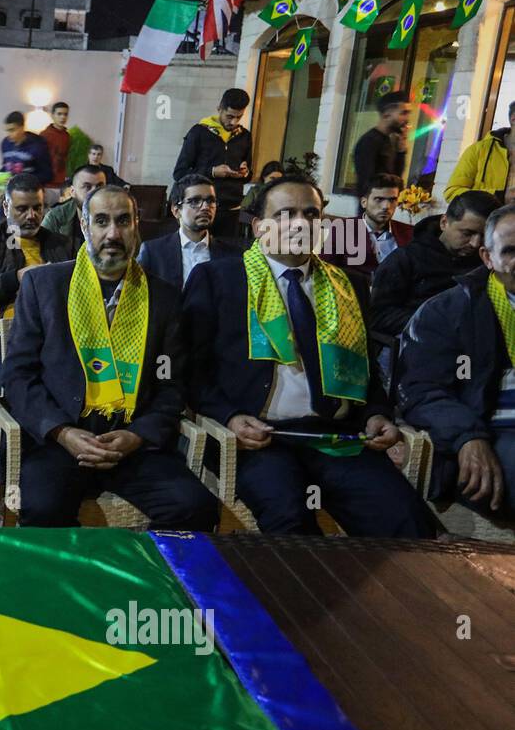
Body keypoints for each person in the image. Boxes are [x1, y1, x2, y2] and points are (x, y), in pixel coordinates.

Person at [181, 173, 436, 537]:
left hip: (335, 436)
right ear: (259, 227)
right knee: (291, 524)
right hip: (260, 437)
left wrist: (377, 413)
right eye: (285, 214)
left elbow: (364, 370)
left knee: (406, 520)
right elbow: (192, 372)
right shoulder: (218, 279)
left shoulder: (349, 286)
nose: (300, 223)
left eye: (311, 214)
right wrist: (231, 416)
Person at [2, 185, 217, 530]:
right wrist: (63, 432)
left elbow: (171, 386)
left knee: (196, 508)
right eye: (101, 221)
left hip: (132, 444)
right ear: (84, 226)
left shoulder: (162, 296)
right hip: (60, 442)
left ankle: (140, 578)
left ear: (137, 226)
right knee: (43, 509)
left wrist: (136, 436)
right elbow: (17, 376)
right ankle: (72, 583)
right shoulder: (44, 286)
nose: (113, 233)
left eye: (123, 221)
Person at [398, 204, 515, 510]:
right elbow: (421, 390)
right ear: (488, 257)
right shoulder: (447, 311)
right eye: (510, 251)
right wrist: (468, 436)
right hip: (493, 432)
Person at [0, 173, 72, 393]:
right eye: (22, 209)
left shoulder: (60, 244)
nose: (32, 216)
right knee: (22, 386)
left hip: (54, 332)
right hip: (7, 333)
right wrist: (19, 278)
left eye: (38, 208)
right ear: (5, 206)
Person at [370, 190, 497, 338]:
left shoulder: (487, 264)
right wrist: (435, 323)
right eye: (467, 233)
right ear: (444, 223)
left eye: (484, 236)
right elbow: (378, 316)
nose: (475, 244)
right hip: (414, 343)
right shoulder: (405, 259)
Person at [173, 88, 252, 240]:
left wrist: (245, 172)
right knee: (196, 253)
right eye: (229, 116)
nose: (234, 122)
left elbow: (249, 175)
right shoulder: (199, 132)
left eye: (239, 117)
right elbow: (179, 173)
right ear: (219, 109)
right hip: (201, 208)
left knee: (225, 257)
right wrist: (212, 172)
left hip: (231, 209)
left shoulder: (245, 136)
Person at [137, 174, 242, 289]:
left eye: (210, 201)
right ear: (176, 210)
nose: (205, 207)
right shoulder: (153, 252)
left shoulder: (232, 255)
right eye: (195, 201)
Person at [322, 173, 412, 277]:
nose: (386, 206)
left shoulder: (409, 233)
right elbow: (325, 269)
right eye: (379, 199)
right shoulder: (342, 229)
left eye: (392, 200)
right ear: (364, 202)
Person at [444, 100, 514, 204]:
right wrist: (499, 195)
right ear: (513, 119)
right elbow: (452, 192)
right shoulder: (479, 150)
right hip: (482, 219)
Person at [352, 90, 409, 202]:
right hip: (370, 214)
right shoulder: (369, 142)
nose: (406, 119)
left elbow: (396, 180)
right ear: (386, 114)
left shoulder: (389, 141)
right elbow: (367, 185)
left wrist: (401, 151)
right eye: (403, 113)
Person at [42, 164, 107, 257]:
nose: (94, 192)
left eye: (100, 187)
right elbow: (39, 252)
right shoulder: (56, 217)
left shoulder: (116, 215)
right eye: (87, 187)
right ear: (72, 192)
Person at [0, 112, 53, 182]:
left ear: (22, 128)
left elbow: (47, 175)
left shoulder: (37, 145)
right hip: (10, 189)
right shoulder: (5, 143)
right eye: (7, 130)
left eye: (12, 130)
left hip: (30, 190)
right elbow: (6, 167)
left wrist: (24, 180)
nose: (9, 134)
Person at [38, 102, 71, 192]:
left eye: (65, 114)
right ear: (52, 115)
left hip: (61, 182)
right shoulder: (45, 135)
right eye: (59, 114)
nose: (63, 117)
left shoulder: (67, 136)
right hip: (46, 183)